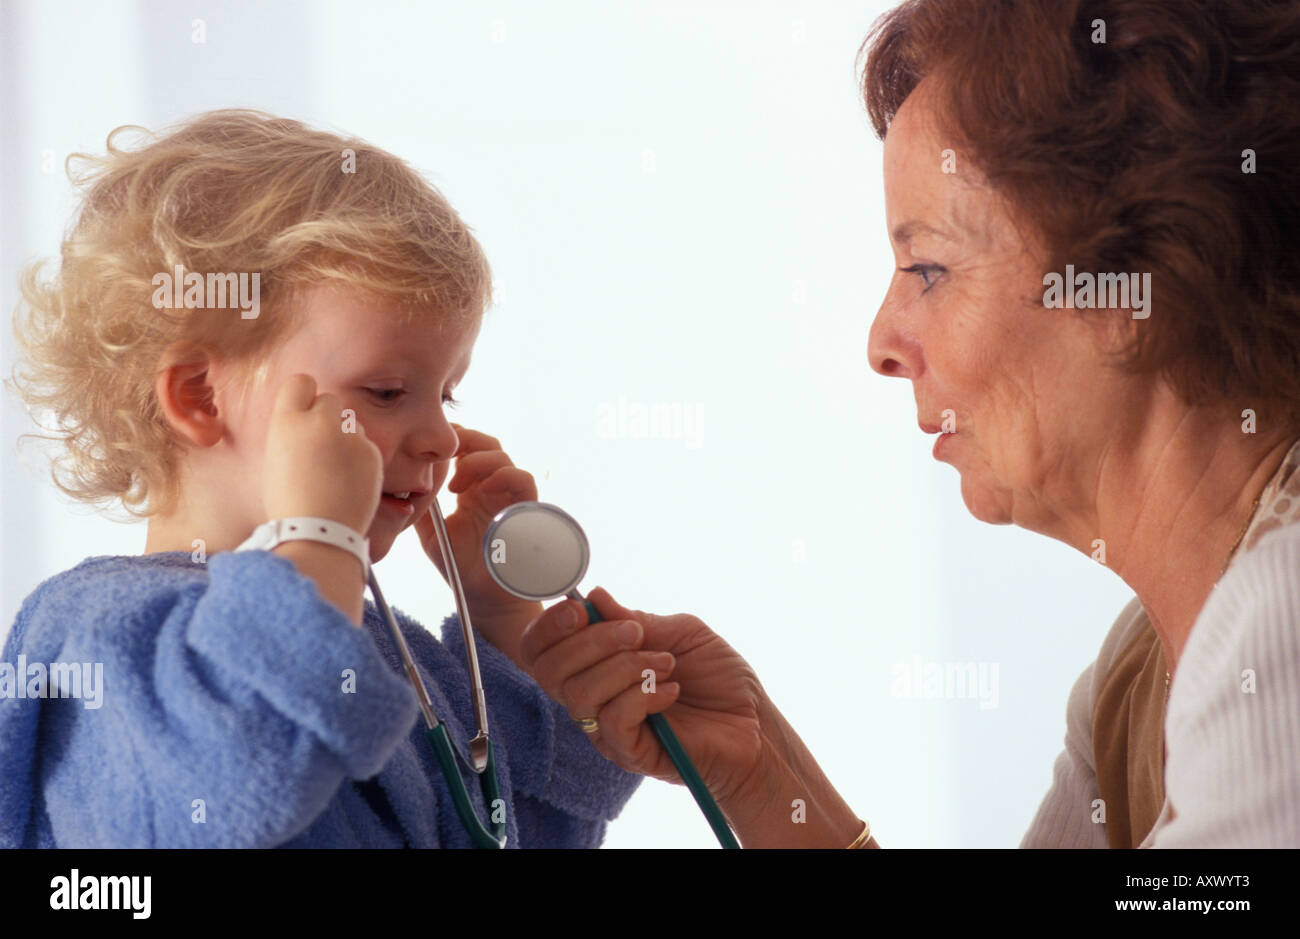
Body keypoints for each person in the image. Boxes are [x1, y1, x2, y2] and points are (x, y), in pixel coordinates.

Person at [514, 0, 1300, 847]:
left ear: (1133, 283)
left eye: (929, 268)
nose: (881, 342)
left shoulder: (1279, 619)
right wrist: (761, 768)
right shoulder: (1137, 674)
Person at [0, 110, 676, 847]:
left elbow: (513, 831)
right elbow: (227, 788)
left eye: (446, 394)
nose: (442, 435)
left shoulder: (391, 654)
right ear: (199, 394)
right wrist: (317, 538)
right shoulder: (97, 631)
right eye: (386, 391)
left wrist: (502, 626)